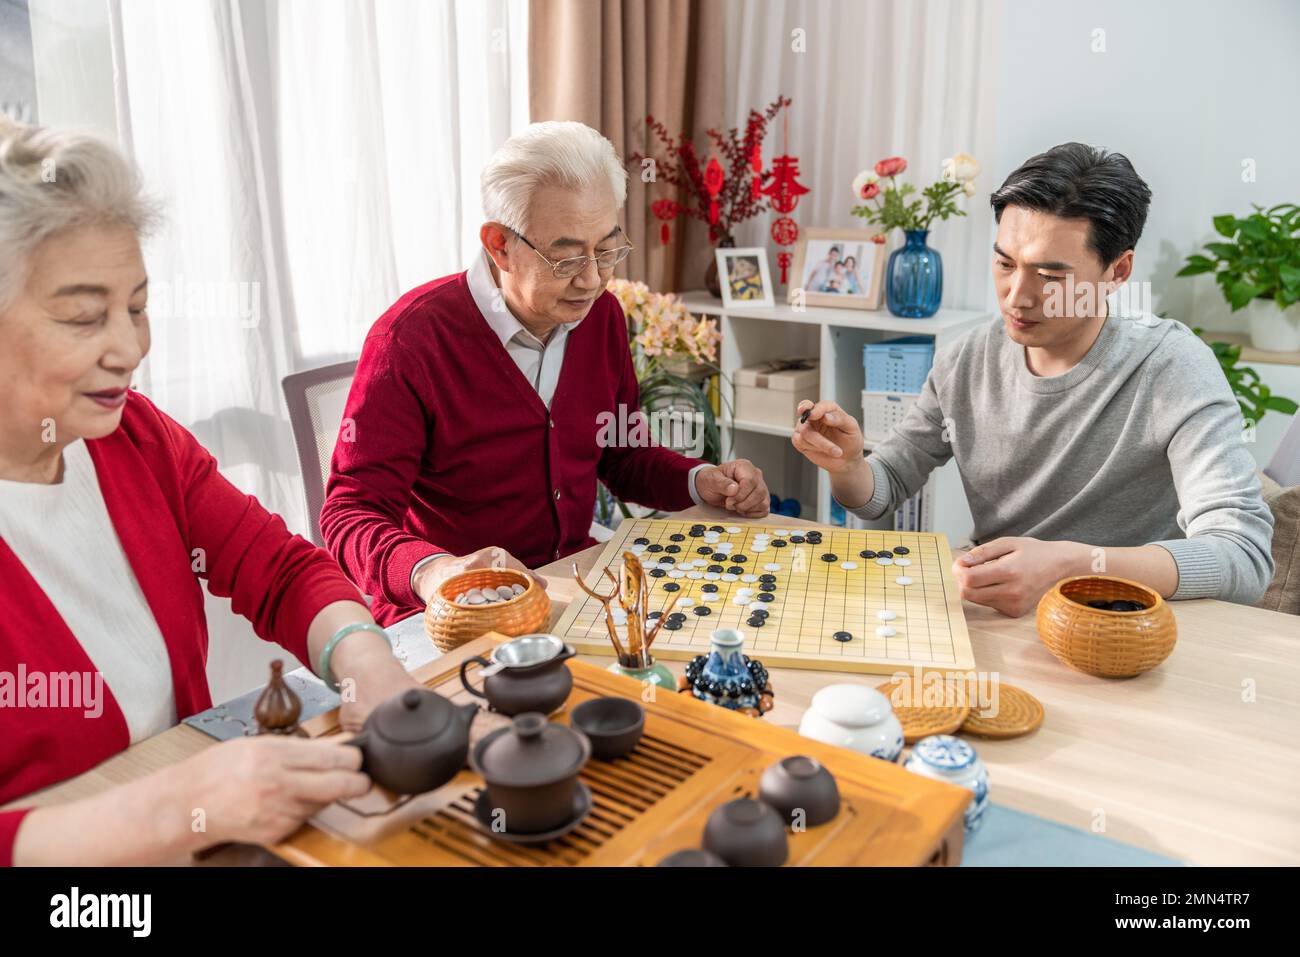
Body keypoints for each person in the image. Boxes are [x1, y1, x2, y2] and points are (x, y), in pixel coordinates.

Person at [0, 121, 419, 865]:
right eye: (83, 316)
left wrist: (367, 663)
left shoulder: (135, 440)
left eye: (137, 306)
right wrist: (178, 806)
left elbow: (284, 569)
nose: (130, 348)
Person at [791, 142, 1274, 616]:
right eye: (1005, 264)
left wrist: (1081, 566)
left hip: (1121, 628)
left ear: (1118, 271)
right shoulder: (967, 360)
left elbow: (1244, 556)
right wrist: (849, 465)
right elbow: (883, 489)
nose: (1017, 297)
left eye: (1049, 275)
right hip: (995, 614)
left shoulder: (1170, 365)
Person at [322, 121, 769, 626]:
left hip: (571, 587)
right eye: (567, 256)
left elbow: (622, 456)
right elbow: (350, 515)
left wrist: (699, 480)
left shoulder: (601, 317)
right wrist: (437, 572)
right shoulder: (410, 341)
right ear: (499, 245)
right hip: (454, 615)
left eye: (607, 249)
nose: (593, 278)